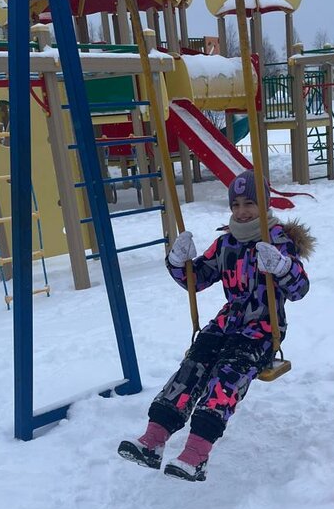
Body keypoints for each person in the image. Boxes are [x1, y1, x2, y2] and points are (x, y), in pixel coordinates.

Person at [118, 170, 313, 481]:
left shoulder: (278, 241)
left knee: (227, 377)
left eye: (249, 203)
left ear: (264, 205)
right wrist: (179, 262)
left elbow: (300, 289)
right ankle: (153, 439)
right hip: (226, 323)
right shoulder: (226, 243)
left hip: (262, 329)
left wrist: (281, 267)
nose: (242, 211)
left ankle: (196, 455)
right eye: (236, 204)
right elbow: (196, 280)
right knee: (191, 368)